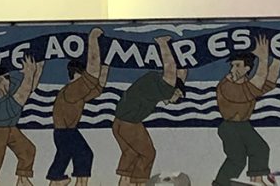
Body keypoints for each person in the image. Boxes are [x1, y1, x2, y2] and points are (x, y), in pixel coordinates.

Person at [112, 36, 187, 186]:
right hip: (130, 125)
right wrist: (163, 43)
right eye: (177, 97)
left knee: (131, 154)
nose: (173, 101)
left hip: (117, 123)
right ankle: (139, 183)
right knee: (148, 154)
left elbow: (181, 73)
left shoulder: (153, 85)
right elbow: (171, 68)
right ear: (175, 90)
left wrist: (181, 79)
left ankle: (127, 182)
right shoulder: (166, 87)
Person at [214, 36, 280, 186]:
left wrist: (278, 59)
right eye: (232, 66)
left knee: (260, 148)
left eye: (237, 65)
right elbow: (255, 86)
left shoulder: (247, 85)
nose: (233, 69)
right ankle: (221, 184)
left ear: (247, 68)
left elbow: (269, 82)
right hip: (229, 127)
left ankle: (256, 180)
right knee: (237, 158)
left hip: (244, 125)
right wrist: (263, 59)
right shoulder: (226, 85)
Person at [48, 27, 110, 186]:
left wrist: (105, 68)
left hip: (66, 132)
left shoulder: (76, 94)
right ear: (77, 75)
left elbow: (97, 90)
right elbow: (92, 73)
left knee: (68, 156)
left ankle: (59, 179)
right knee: (82, 154)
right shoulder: (72, 89)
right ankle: (61, 180)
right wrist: (93, 39)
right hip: (65, 132)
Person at [0, 55, 43, 186]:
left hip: (12, 129)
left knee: (28, 149)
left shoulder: (12, 83)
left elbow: (29, 89)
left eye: (5, 79)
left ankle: (22, 180)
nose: (3, 83)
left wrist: (38, 69)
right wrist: (29, 75)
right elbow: (9, 108)